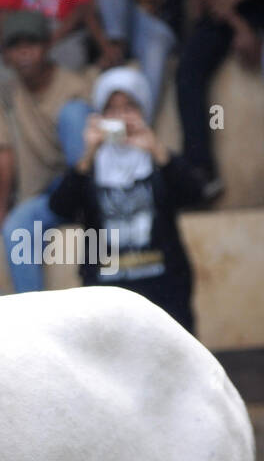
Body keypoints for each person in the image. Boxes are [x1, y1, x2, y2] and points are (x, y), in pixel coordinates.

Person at [49, 65, 203, 330]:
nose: (121, 116)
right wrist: (88, 154)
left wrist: (157, 150)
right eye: (112, 109)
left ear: (143, 111)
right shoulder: (91, 167)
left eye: (130, 107)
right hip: (107, 296)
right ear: (100, 115)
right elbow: (60, 207)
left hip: (165, 292)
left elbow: (194, 193)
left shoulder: (158, 161)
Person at [0, 10, 92, 291]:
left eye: (32, 43)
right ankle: (33, 321)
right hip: (43, 198)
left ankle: (89, 204)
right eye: (15, 45)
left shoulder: (76, 85)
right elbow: (3, 153)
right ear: (5, 53)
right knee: (15, 230)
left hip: (80, 187)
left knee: (75, 114)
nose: (24, 52)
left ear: (48, 46)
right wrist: (1, 209)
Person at [175, 0, 264, 200]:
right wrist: (242, 29)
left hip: (258, 6)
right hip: (225, 16)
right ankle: (201, 173)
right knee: (188, 69)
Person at [93, 0, 184, 113]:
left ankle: (142, 123)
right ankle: (115, 47)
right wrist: (104, 43)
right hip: (120, 30)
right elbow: (87, 6)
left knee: (157, 41)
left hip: (155, 29)